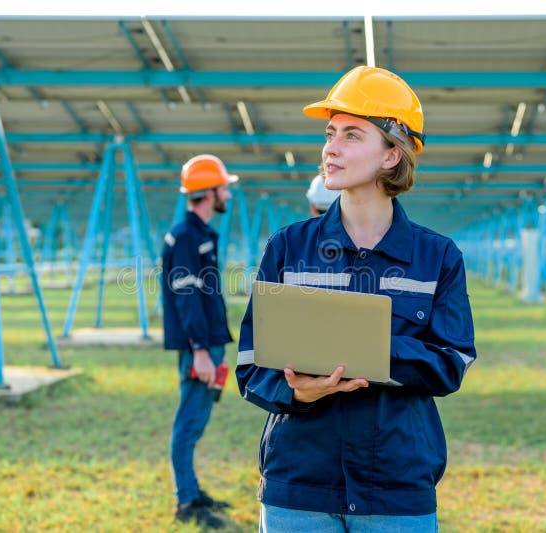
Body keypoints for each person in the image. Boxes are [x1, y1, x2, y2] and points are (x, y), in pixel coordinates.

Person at [236, 65, 477, 532]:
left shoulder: (438, 257)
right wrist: (297, 391)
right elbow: (251, 364)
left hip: (396, 488)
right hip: (298, 486)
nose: (331, 148)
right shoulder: (288, 248)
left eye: (351, 135)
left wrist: (367, 348)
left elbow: (452, 362)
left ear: (391, 154)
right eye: (330, 134)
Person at [161, 154, 238, 529]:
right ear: (209, 192)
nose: (228, 194)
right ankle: (186, 501)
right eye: (224, 187)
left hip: (208, 341)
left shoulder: (199, 234)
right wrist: (201, 352)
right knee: (188, 424)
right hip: (201, 346)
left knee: (195, 421)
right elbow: (187, 297)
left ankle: (192, 490)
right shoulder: (187, 237)